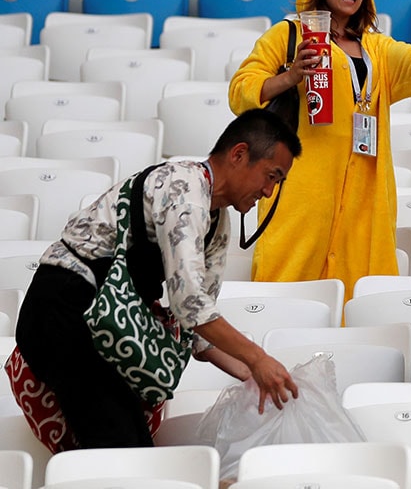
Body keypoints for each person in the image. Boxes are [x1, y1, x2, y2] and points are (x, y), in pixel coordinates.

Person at [5, 109, 302, 452]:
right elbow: (190, 305)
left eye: (276, 183)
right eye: (270, 176)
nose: (268, 191)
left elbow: (196, 330)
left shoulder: (218, 226)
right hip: (63, 308)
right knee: (118, 446)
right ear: (238, 154)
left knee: (129, 446)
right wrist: (257, 358)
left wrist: (254, 375)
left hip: (101, 329)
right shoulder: (183, 188)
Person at [229, 0, 411, 300]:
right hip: (303, 189)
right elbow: (241, 91)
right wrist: (291, 75)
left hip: (367, 193)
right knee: (292, 289)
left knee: (360, 291)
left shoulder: (375, 46)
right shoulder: (289, 34)